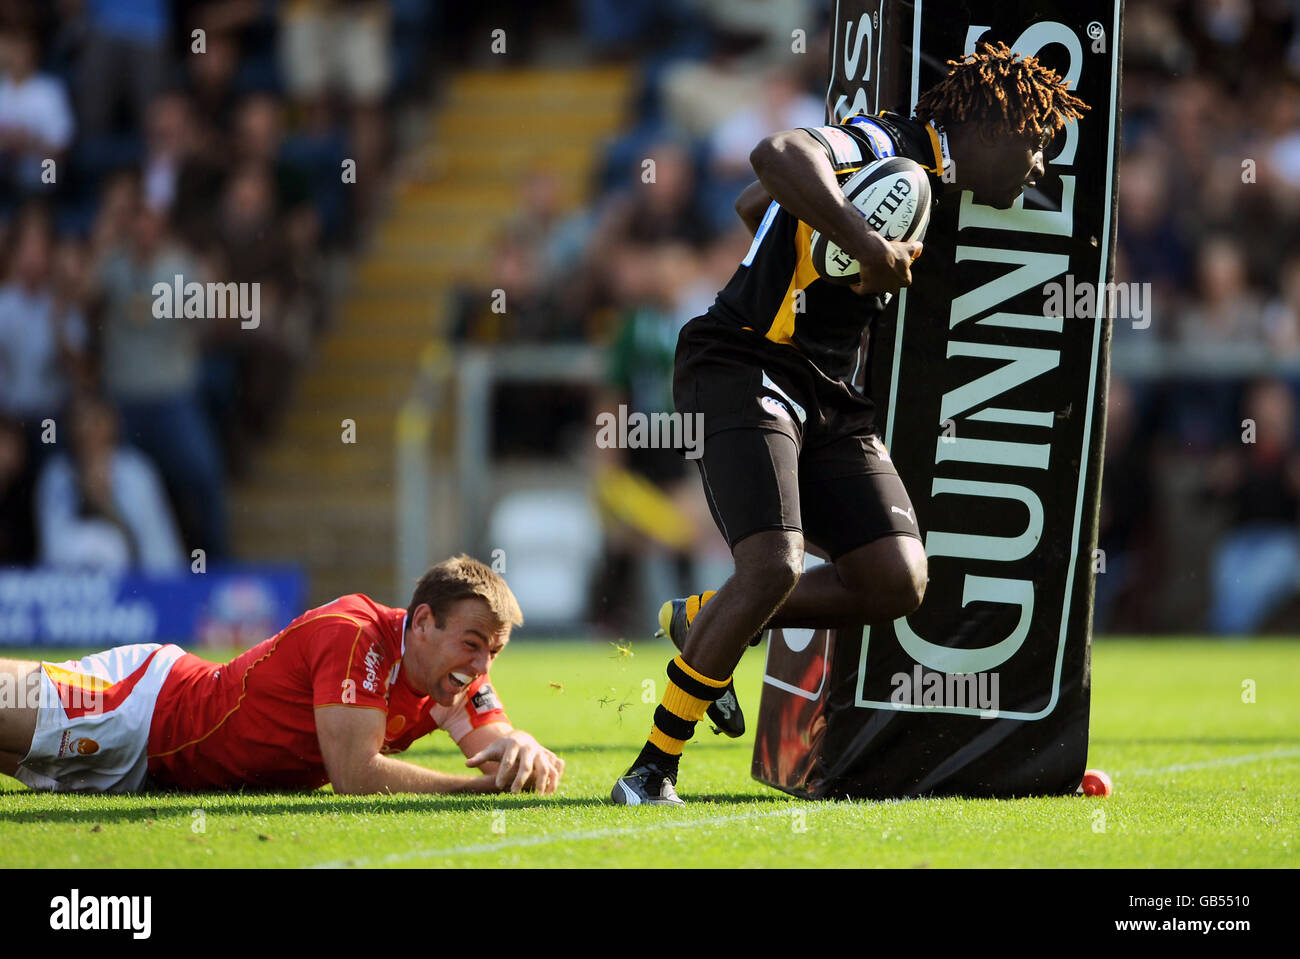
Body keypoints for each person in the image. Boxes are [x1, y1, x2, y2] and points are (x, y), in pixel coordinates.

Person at [612, 42, 1089, 806]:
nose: (1037, 169)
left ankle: (707, 619)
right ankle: (651, 768)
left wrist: (811, 235)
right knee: (770, 564)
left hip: (827, 392)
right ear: (995, 126)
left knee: (897, 577)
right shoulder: (885, 142)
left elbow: (750, 206)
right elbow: (776, 153)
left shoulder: (930, 185)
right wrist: (860, 241)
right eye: (1034, 145)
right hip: (744, 362)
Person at [0, 555, 565, 796]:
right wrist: (475, 789)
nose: (481, 667)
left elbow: (496, 744)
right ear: (422, 621)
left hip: (157, 774)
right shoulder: (355, 634)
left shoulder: (451, 676)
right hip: (147, 708)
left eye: (492, 652)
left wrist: (522, 748)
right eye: (472, 645)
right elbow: (355, 774)